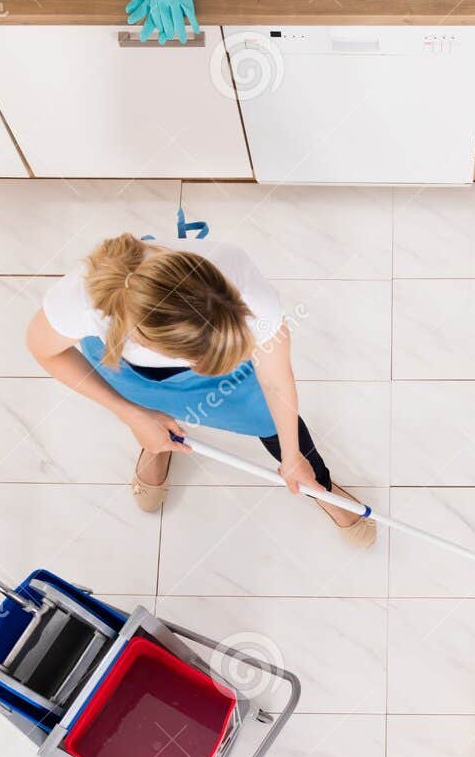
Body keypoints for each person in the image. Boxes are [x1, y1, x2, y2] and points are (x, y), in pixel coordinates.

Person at [25, 233, 373, 547]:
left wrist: (293, 456)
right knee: (146, 417)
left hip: (207, 353)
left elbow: (274, 379)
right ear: (148, 342)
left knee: (267, 415)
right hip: (128, 371)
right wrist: (132, 414)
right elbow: (44, 350)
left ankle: (320, 484)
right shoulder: (81, 301)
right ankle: (157, 445)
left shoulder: (245, 287)